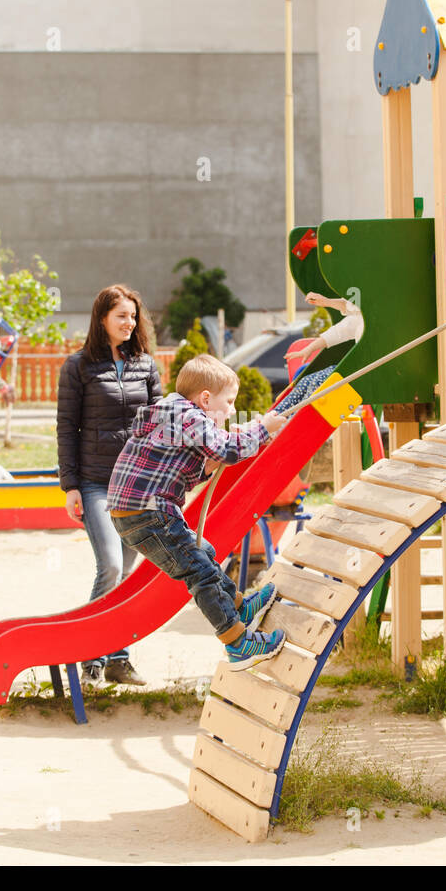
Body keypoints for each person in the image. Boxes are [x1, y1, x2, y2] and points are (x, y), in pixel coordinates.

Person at [108, 354, 288, 671]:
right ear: (205, 398)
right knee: (200, 572)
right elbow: (225, 448)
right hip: (150, 513)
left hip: (135, 512)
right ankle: (237, 644)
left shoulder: (173, 412)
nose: (232, 410)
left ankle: (238, 607)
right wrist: (261, 428)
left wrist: (210, 464)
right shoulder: (187, 416)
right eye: (229, 402)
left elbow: (183, 464)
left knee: (202, 552)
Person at [57, 285, 164, 686]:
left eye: (133, 316)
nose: (129, 322)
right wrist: (70, 486)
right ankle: (90, 658)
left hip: (138, 487)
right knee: (112, 567)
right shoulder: (78, 367)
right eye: (121, 315)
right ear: (102, 318)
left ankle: (118, 659)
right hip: (95, 484)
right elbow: (66, 428)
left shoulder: (146, 366)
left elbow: (160, 424)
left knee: (129, 577)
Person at [274, 291, 365, 413]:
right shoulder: (360, 318)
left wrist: (327, 302)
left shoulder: (371, 319)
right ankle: (275, 416)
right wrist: (309, 349)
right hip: (354, 370)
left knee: (318, 385)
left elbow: (348, 309)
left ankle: (296, 419)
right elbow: (338, 331)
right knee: (305, 381)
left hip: (362, 372)